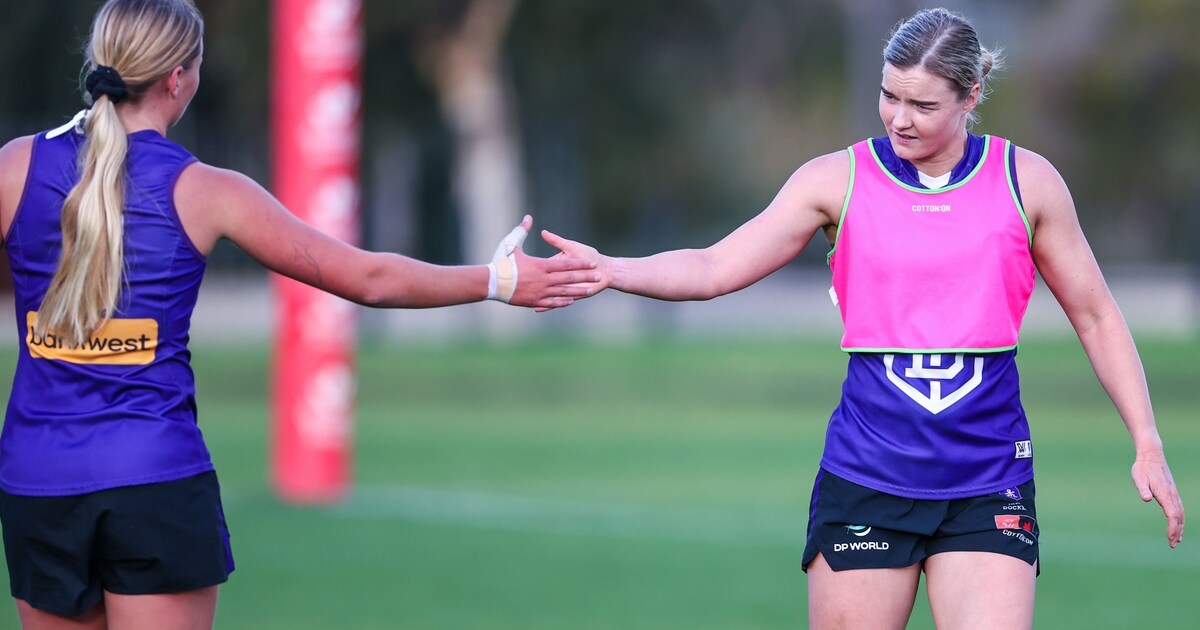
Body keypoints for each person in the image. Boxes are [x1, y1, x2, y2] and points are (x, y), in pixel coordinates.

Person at [543, 7, 1185, 629]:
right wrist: (612, 269)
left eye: (924, 106)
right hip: (869, 475)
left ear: (971, 95)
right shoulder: (836, 180)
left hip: (990, 478)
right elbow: (714, 267)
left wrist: (1147, 439)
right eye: (889, 97)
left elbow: (1097, 316)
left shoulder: (1028, 183)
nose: (900, 120)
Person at [0, 1, 598, 628]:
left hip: (38, 486)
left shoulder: (16, 165)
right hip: (153, 483)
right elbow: (366, 278)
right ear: (178, 77)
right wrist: (498, 281)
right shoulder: (208, 191)